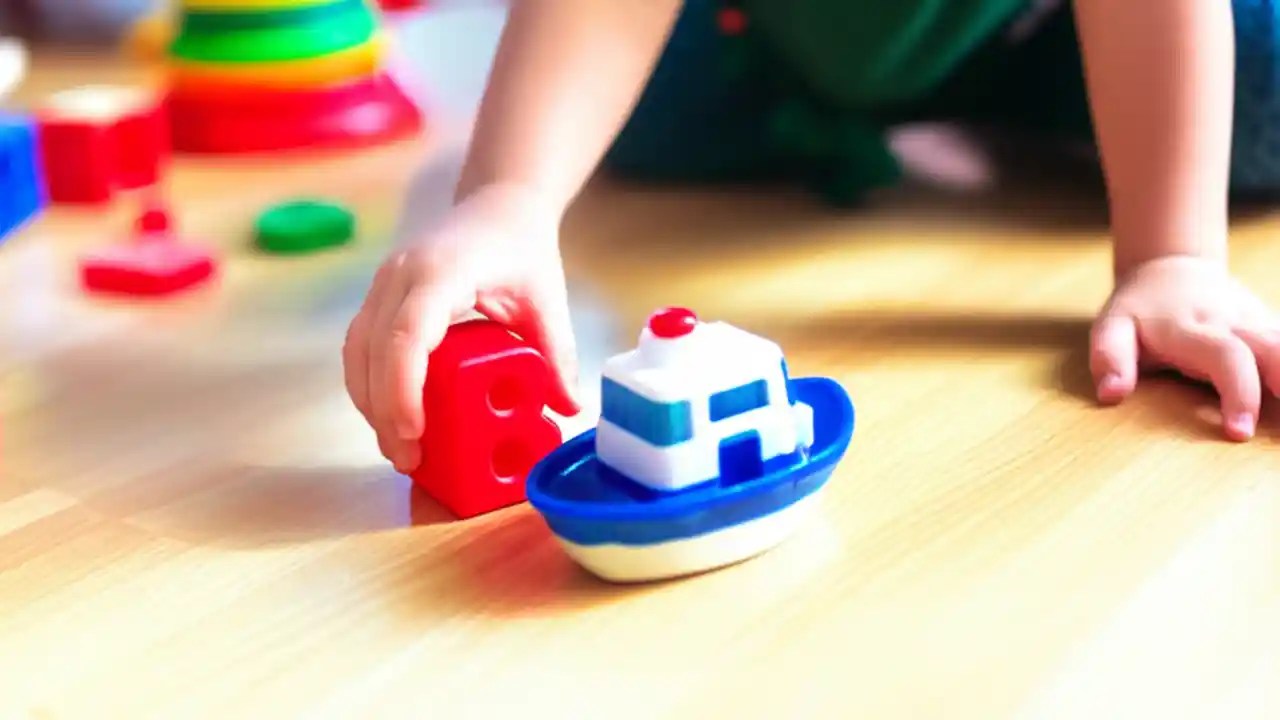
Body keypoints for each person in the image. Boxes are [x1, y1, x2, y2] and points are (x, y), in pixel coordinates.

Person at [344, 0, 1280, 474]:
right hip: (769, 36)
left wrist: (1171, 254)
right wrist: (509, 198)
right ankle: (869, 116)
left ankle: (995, 110)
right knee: (628, 124)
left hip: (1030, 29)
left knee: (1260, 98)